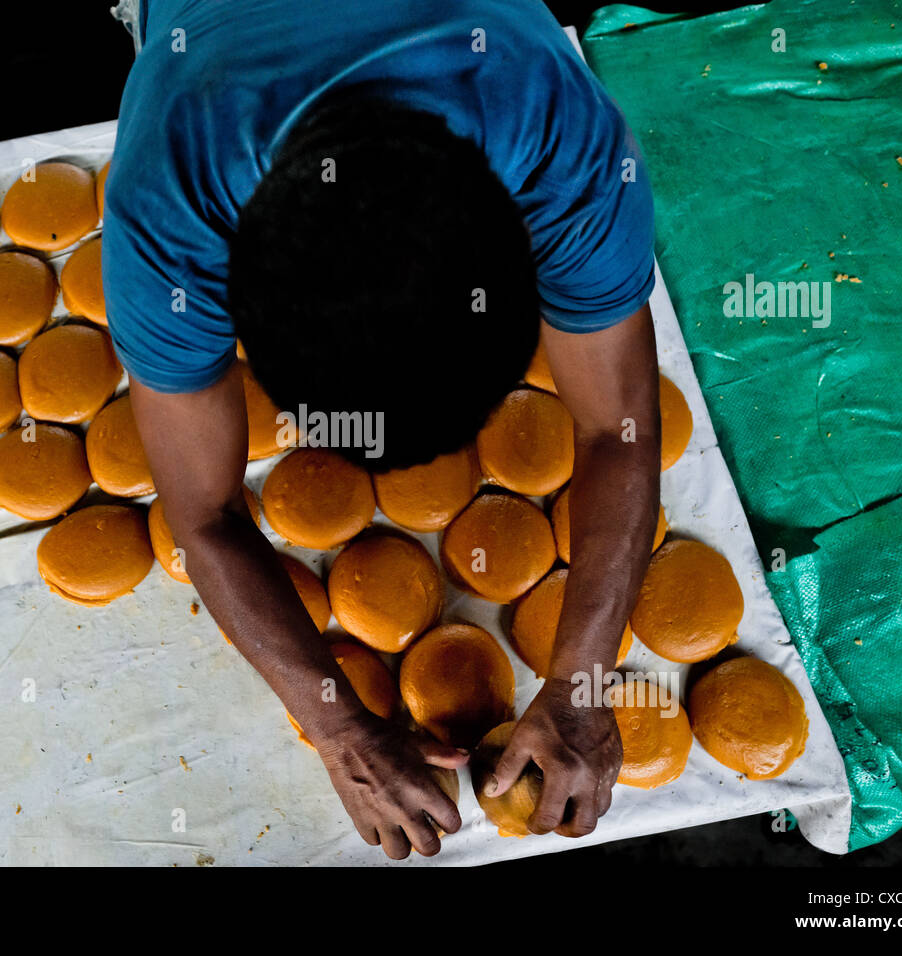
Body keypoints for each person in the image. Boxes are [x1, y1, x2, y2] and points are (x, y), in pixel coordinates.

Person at [102, 0, 661, 859]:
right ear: (240, 312)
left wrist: (583, 683)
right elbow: (204, 515)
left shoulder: (559, 135)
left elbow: (614, 431)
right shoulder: (170, 204)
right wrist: (336, 728)